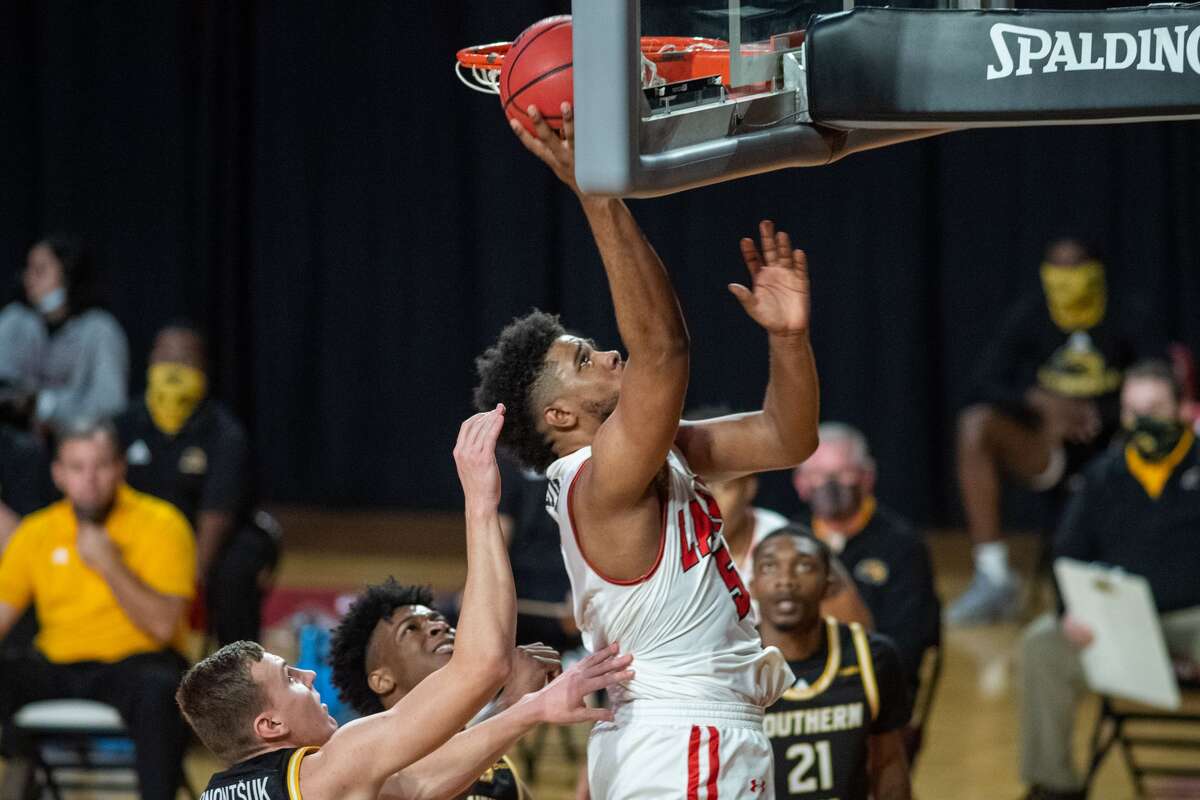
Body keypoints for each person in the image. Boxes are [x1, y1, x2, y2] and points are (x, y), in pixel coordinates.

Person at [473, 103, 819, 798]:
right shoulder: (601, 482)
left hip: (689, 736)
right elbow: (662, 349)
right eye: (582, 357)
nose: (606, 351)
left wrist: (787, 339)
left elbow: (788, 438)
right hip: (683, 740)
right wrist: (596, 191)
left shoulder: (645, 457)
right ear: (561, 413)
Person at [177, 406, 632, 800]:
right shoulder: (333, 767)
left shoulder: (227, 786)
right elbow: (483, 666)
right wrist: (479, 503)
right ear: (269, 726)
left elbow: (419, 787)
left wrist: (524, 706)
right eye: (290, 678)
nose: (308, 672)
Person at [948, 238, 1165, 625]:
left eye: (1075, 268)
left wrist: (1101, 410)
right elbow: (980, 384)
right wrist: (1037, 400)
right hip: (1048, 444)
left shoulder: (1129, 312)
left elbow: (1163, 382)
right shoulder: (1032, 313)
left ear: (1097, 271)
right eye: (1056, 270)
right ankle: (994, 575)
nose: (1066, 280)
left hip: (1119, 446)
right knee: (975, 425)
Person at [1018, 361, 1200, 800]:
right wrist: (1069, 613)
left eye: (1155, 407)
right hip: (1125, 622)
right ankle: (1054, 783)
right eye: (1132, 411)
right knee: (1041, 644)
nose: (1143, 422)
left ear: (1183, 410)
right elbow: (1067, 553)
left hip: (1195, 619)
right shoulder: (1102, 476)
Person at [0, 418, 195, 800]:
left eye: (101, 465)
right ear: (58, 475)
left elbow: (162, 626)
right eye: (77, 467)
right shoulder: (37, 531)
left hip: (137, 665)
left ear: (120, 468)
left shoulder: (163, 525)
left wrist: (109, 564)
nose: (89, 479)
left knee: (162, 690)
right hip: (56, 665)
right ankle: (23, 776)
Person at [329, 579, 624, 799]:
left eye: (437, 619)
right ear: (382, 679)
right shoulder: (371, 770)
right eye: (410, 629)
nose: (437, 627)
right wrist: (513, 704)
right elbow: (422, 783)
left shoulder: (499, 769)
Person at [117, 322, 277, 644]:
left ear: (204, 370)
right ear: (149, 364)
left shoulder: (225, 433)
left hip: (206, 540)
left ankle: (242, 663)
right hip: (141, 532)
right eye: (166, 359)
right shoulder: (123, 424)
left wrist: (191, 580)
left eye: (185, 361)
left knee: (235, 570)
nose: (174, 371)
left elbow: (216, 515)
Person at [750, 527, 912, 800]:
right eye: (770, 567)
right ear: (752, 584)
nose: (786, 580)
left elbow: (889, 763)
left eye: (804, 566)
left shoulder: (872, 656)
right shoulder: (731, 664)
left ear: (828, 584)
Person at [792, 423, 940, 689]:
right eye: (817, 474)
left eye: (843, 473)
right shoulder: (788, 541)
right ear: (800, 483)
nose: (829, 485)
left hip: (874, 686)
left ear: (867, 477)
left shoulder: (902, 546)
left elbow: (909, 645)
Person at [0, 236, 128, 432]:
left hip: (77, 443)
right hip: (15, 440)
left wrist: (45, 405)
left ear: (68, 274)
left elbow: (112, 404)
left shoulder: (100, 329)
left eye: (40, 271)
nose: (29, 278)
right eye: (28, 269)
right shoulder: (14, 320)